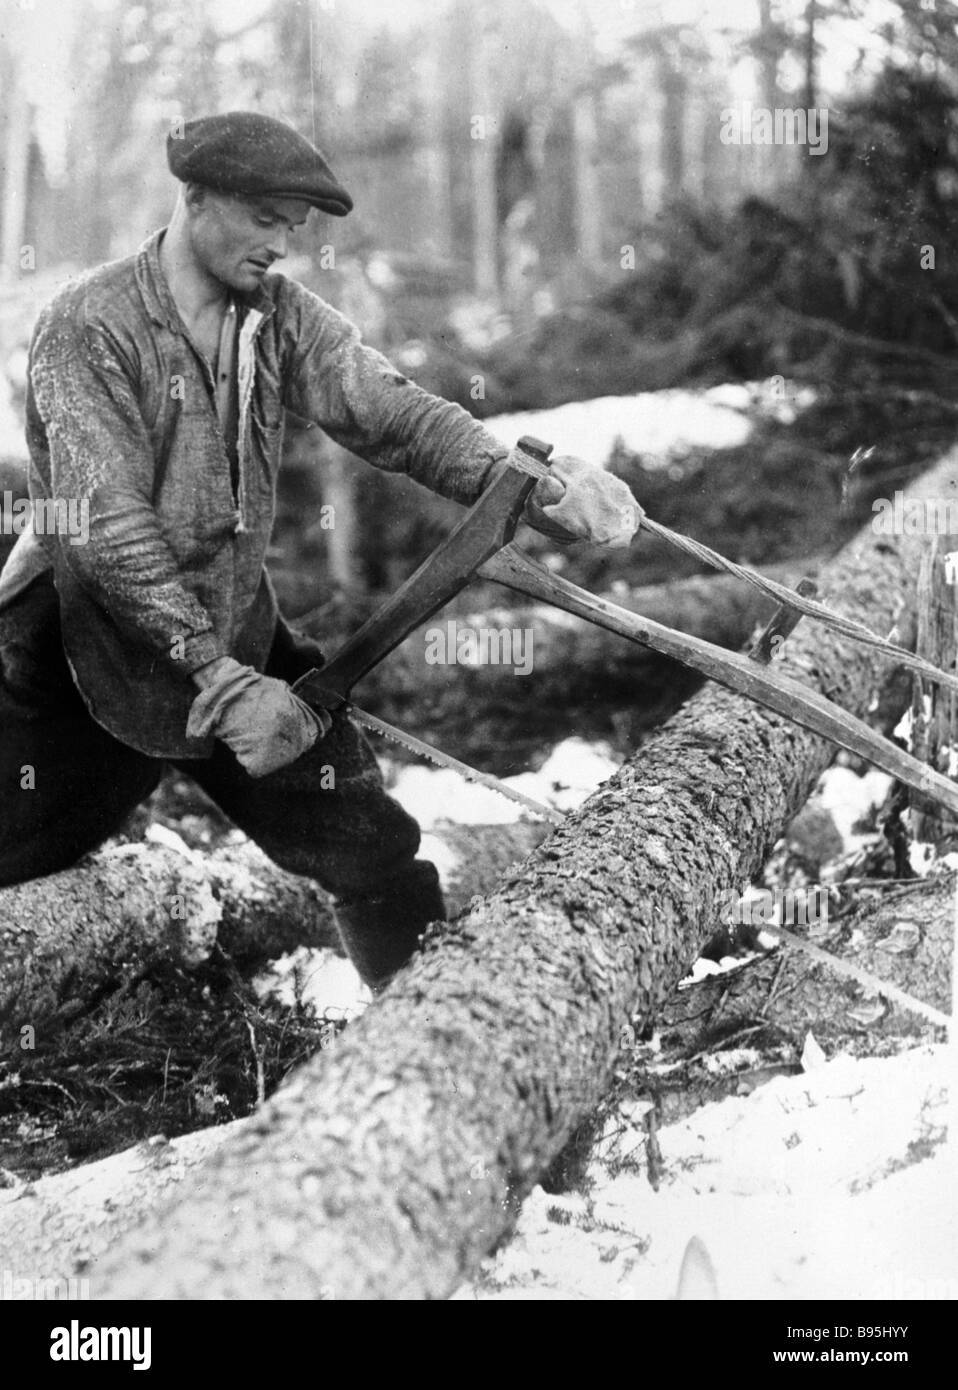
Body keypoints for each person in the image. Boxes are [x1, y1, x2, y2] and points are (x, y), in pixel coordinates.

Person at [0, 112, 641, 991]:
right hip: (85, 652)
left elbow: (389, 410)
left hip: (232, 629)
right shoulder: (89, 325)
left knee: (373, 849)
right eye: (265, 218)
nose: (281, 245)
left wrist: (532, 482)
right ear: (196, 198)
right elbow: (107, 531)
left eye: (293, 227)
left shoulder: (277, 315)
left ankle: (427, 1050)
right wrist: (221, 688)